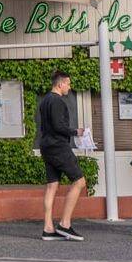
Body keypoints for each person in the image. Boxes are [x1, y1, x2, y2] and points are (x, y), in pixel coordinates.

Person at [37, 69, 88, 241]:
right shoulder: (57, 101)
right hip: (58, 147)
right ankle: (65, 224)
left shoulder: (44, 101)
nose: (69, 87)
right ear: (61, 84)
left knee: (52, 186)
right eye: (68, 83)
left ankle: (48, 228)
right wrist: (76, 131)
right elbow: (59, 126)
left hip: (46, 146)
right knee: (80, 181)